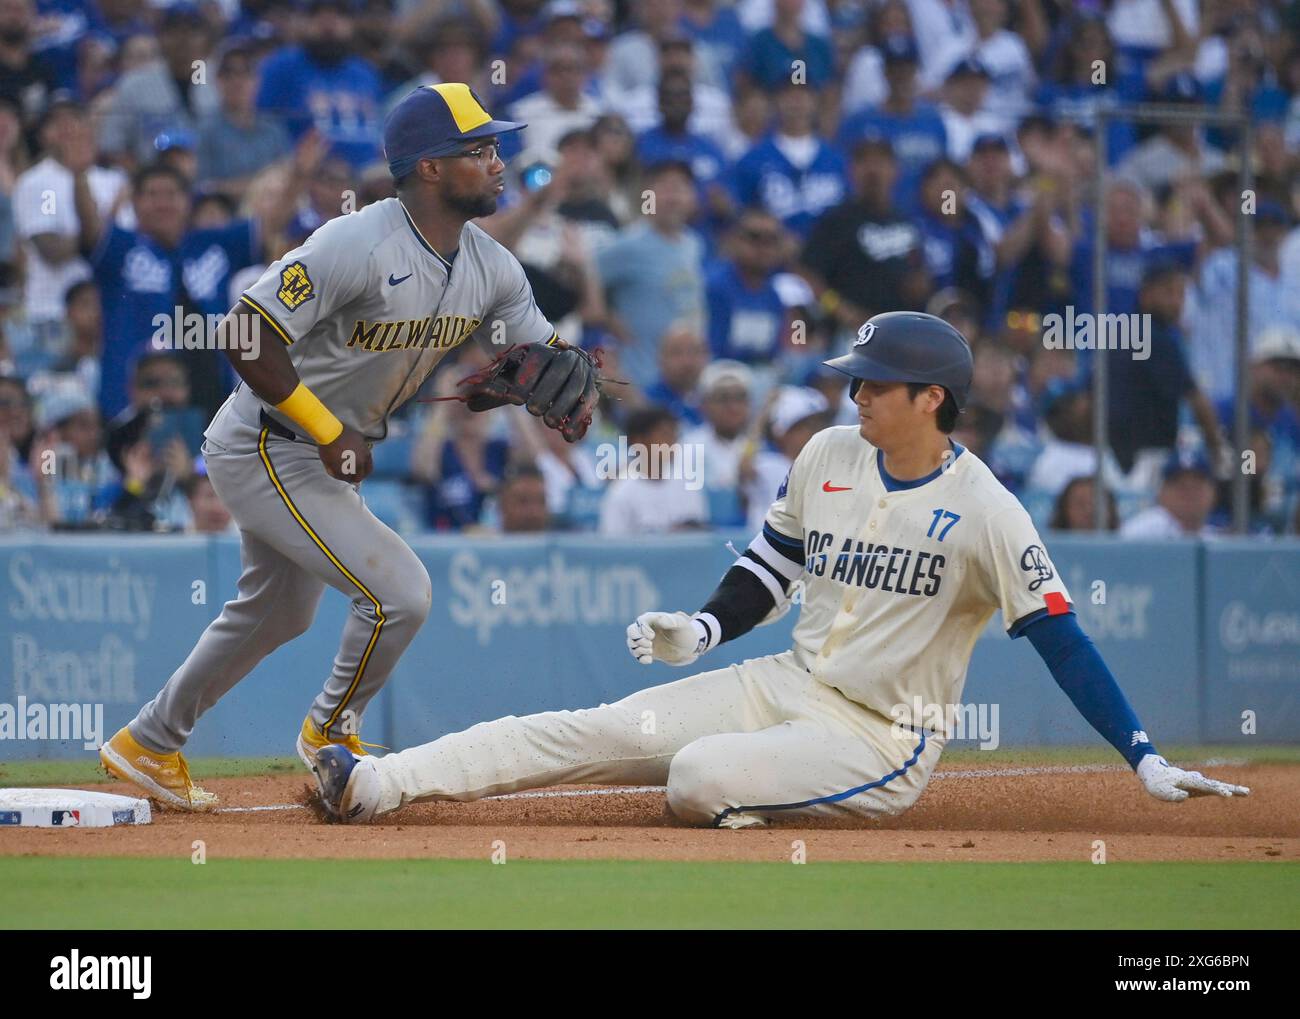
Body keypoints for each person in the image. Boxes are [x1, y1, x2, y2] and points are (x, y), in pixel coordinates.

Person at [312, 310, 1249, 824]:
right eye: (853, 377)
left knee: (694, 777)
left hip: (882, 739)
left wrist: (1144, 754)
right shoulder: (829, 453)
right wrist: (706, 626)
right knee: (590, 727)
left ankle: (744, 804)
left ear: (933, 398)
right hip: (784, 680)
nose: (854, 392)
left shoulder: (989, 510)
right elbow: (771, 564)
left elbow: (1061, 638)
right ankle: (374, 783)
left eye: (874, 382)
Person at [99, 83, 596, 810]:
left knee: (277, 615)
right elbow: (243, 333)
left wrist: (567, 384)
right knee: (402, 593)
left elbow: (542, 354)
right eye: (481, 149)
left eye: (497, 147)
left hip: (319, 454)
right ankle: (331, 730)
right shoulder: (357, 241)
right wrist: (328, 428)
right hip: (267, 441)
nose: (499, 163)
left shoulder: (492, 264)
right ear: (429, 167)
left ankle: (147, 742)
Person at [597, 404, 708, 536]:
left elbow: (701, 539)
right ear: (638, 440)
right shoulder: (620, 493)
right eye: (664, 435)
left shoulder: (688, 484)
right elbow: (613, 548)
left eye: (675, 436)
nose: (672, 442)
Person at [1120, 451, 1219, 539]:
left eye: (1197, 486)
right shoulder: (1140, 532)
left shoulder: (1216, 539)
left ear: (1213, 493)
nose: (1189, 493)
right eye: (1181, 486)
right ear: (1161, 493)